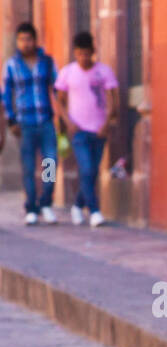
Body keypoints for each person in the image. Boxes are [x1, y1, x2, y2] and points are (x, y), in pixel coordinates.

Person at [1, 22, 64, 225]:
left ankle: (46, 202)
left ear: (35, 40)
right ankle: (31, 207)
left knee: (50, 163)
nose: (25, 43)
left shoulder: (47, 62)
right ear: (17, 42)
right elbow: (6, 94)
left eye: (28, 39)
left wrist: (62, 114)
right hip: (24, 124)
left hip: (46, 121)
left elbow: (58, 89)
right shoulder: (11, 65)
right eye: (21, 40)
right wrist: (11, 120)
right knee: (28, 167)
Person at [54, 30, 118, 227]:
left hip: (99, 129)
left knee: (92, 172)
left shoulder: (103, 72)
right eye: (79, 53)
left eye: (87, 53)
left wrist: (106, 124)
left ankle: (77, 206)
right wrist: (67, 121)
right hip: (79, 130)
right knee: (87, 168)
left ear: (93, 51)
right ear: (75, 53)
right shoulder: (67, 73)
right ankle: (95, 211)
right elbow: (59, 100)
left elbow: (112, 99)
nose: (83, 57)